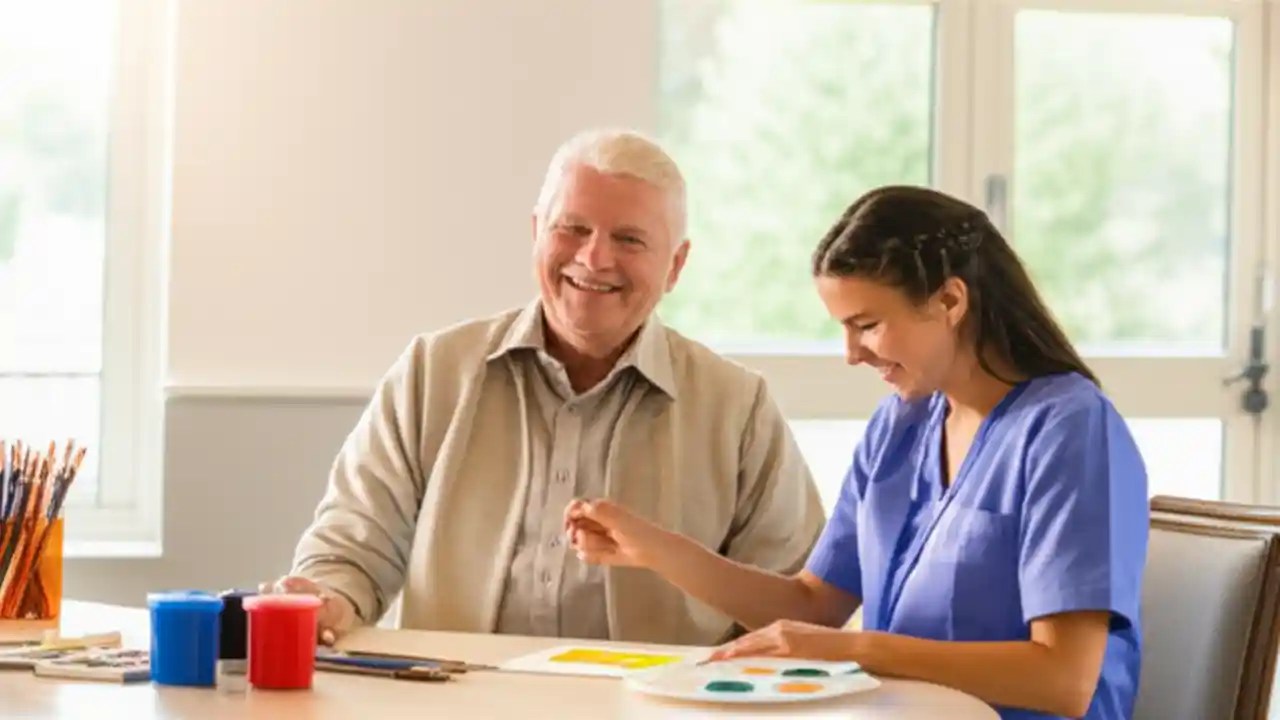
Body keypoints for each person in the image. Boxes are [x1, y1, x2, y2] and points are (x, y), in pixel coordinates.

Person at [566, 185, 1148, 720]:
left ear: (949, 301)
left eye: (867, 324)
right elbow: (812, 604)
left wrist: (855, 651)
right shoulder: (900, 426)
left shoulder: (1069, 430)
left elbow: (1064, 680)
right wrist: (656, 550)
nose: (852, 353)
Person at [261, 129, 825, 646]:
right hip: (459, 705)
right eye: (573, 228)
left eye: (629, 239)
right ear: (537, 233)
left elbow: (791, 608)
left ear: (676, 265)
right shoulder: (432, 372)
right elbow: (352, 546)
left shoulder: (739, 407)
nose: (594, 257)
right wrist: (327, 599)